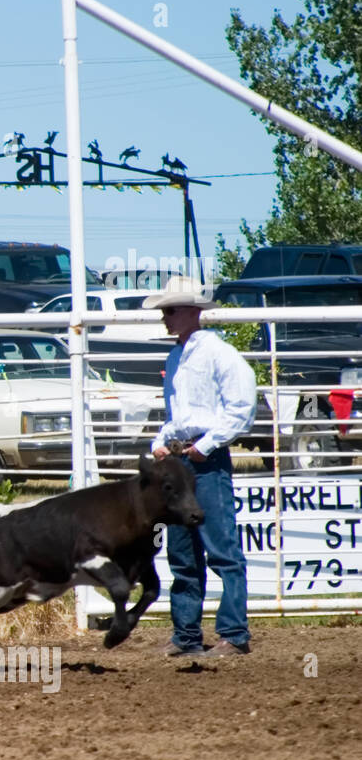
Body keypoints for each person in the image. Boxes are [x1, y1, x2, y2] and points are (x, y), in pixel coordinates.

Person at [147, 279, 257, 657]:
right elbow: (176, 415)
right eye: (165, 311)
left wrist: (205, 445)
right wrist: (161, 442)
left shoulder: (218, 353)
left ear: (194, 312)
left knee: (220, 547)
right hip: (184, 459)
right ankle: (187, 634)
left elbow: (242, 407)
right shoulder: (176, 357)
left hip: (204, 458)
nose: (165, 318)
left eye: (171, 310)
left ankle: (233, 633)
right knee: (183, 552)